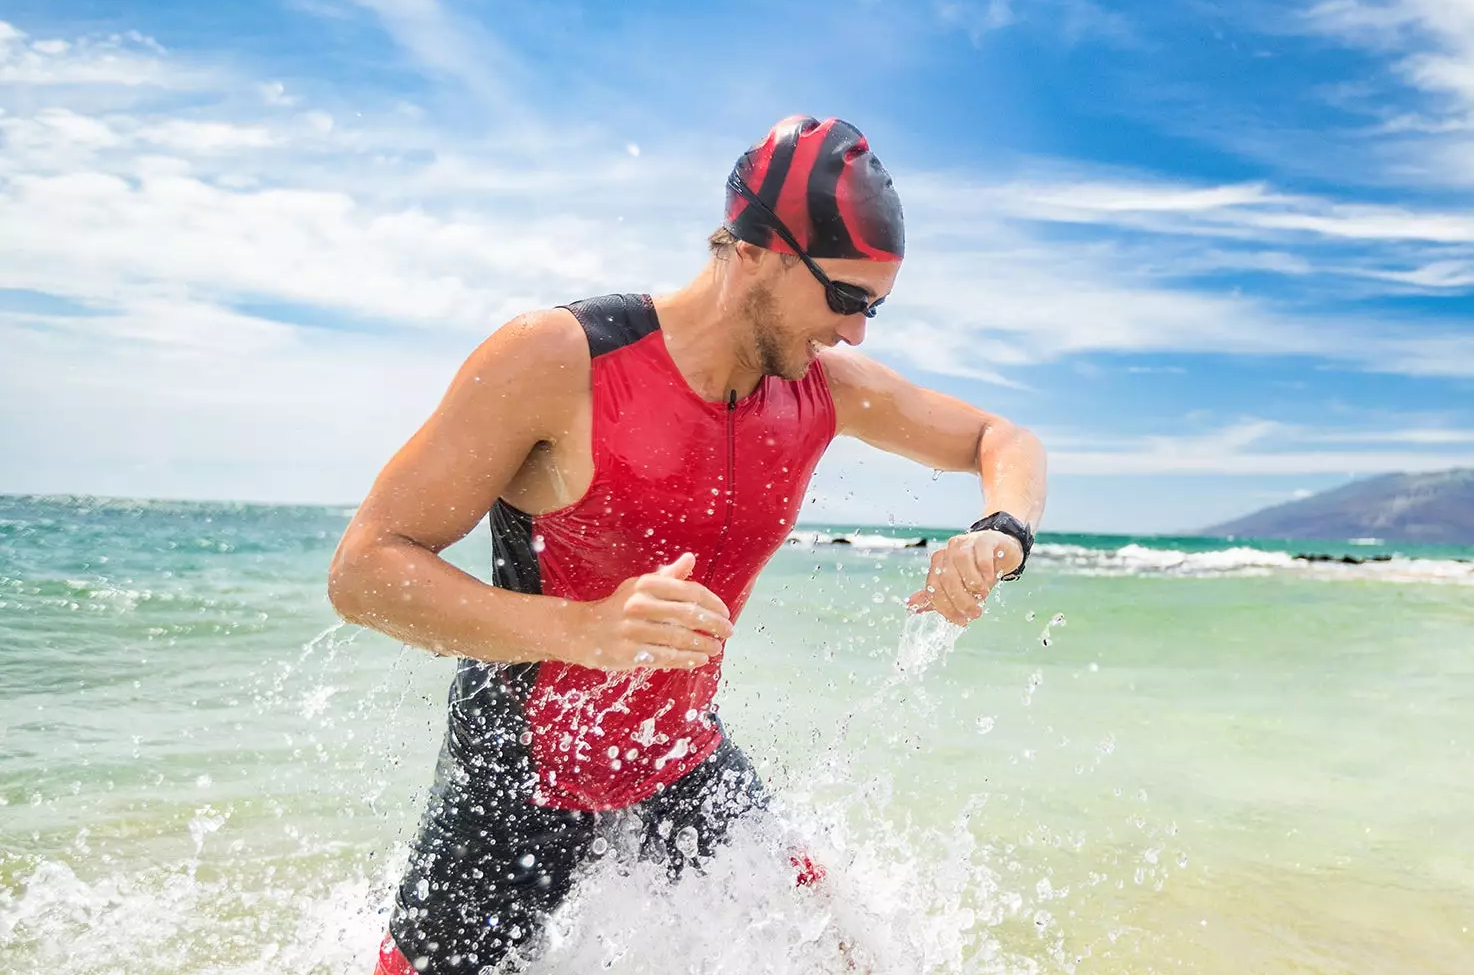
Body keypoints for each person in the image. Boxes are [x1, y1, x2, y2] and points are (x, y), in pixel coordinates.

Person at [327, 115, 1049, 974]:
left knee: (847, 951)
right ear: (759, 252)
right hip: (522, 772)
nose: (857, 332)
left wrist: (998, 533)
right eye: (847, 299)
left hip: (675, 754)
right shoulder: (562, 358)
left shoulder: (825, 389)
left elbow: (1001, 439)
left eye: (875, 305)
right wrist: (584, 630)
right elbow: (364, 570)